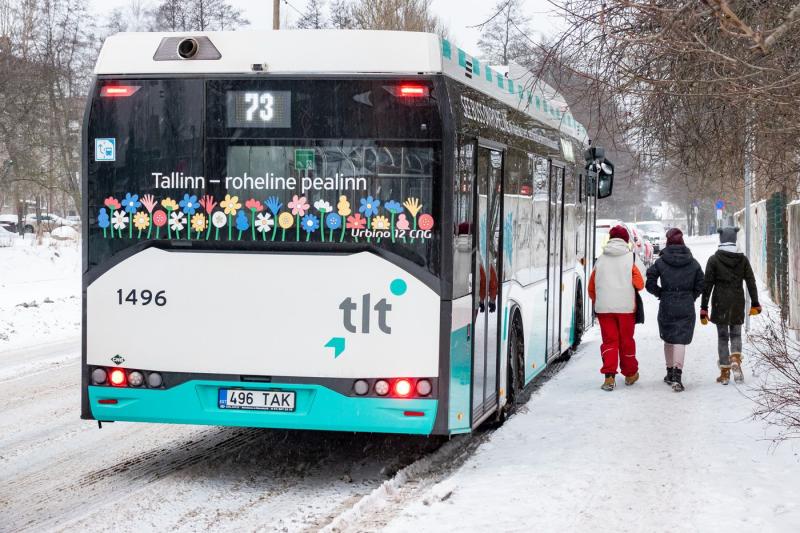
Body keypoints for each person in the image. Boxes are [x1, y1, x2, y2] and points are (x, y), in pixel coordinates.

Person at [645, 228, 704, 392]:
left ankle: (669, 371)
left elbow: (649, 282)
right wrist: (691, 296)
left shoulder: (661, 262)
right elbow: (701, 282)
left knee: (669, 338)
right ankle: (677, 375)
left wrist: (660, 293)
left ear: (668, 241)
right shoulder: (692, 262)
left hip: (667, 303)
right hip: (685, 304)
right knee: (680, 340)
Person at [588, 225, 646, 391]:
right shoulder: (631, 258)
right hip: (626, 308)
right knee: (626, 341)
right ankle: (630, 374)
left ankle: (609, 378)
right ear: (626, 240)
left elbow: (591, 288)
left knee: (609, 341)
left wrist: (600, 302)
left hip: (604, 309)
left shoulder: (600, 260)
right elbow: (640, 284)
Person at [701, 227, 761, 385]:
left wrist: (704, 307)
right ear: (734, 239)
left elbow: (707, 285)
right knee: (736, 334)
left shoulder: (713, 259)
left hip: (720, 302)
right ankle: (735, 357)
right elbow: (751, 281)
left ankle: (725, 372)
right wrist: (755, 302)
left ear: (721, 239)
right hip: (737, 302)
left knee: (722, 337)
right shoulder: (742, 260)